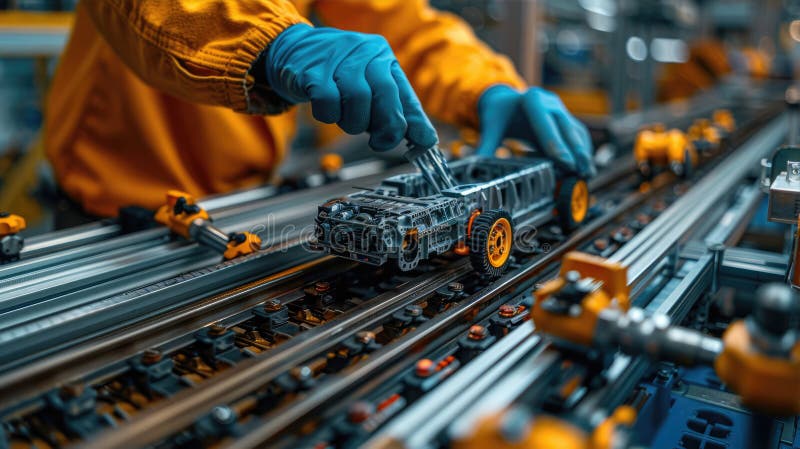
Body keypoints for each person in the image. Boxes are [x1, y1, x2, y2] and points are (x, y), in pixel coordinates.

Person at [45, 0, 594, 220]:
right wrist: (266, 41)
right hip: (117, 206)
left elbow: (396, 20)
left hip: (246, 200)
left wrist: (484, 87)